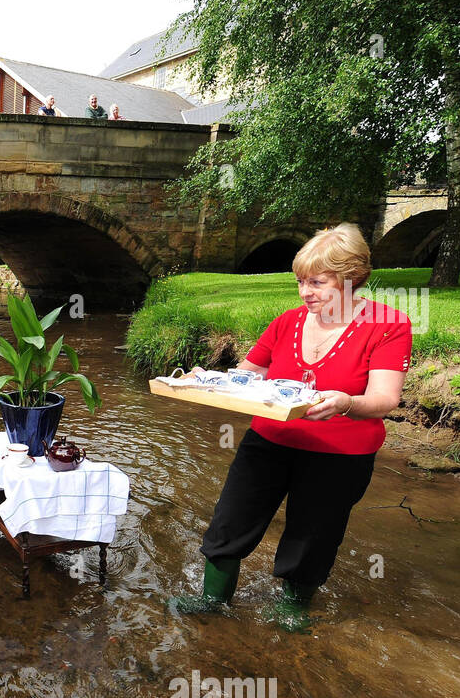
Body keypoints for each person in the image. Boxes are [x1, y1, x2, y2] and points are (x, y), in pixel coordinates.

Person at [172, 223, 412, 629]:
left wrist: (345, 402)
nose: (305, 292)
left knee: (312, 535)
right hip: (269, 440)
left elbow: (385, 400)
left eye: (317, 282)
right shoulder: (286, 322)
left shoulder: (388, 325)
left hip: (339, 455)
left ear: (351, 278)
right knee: (231, 519)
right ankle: (212, 601)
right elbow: (245, 375)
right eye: (300, 281)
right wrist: (203, 378)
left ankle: (292, 610)